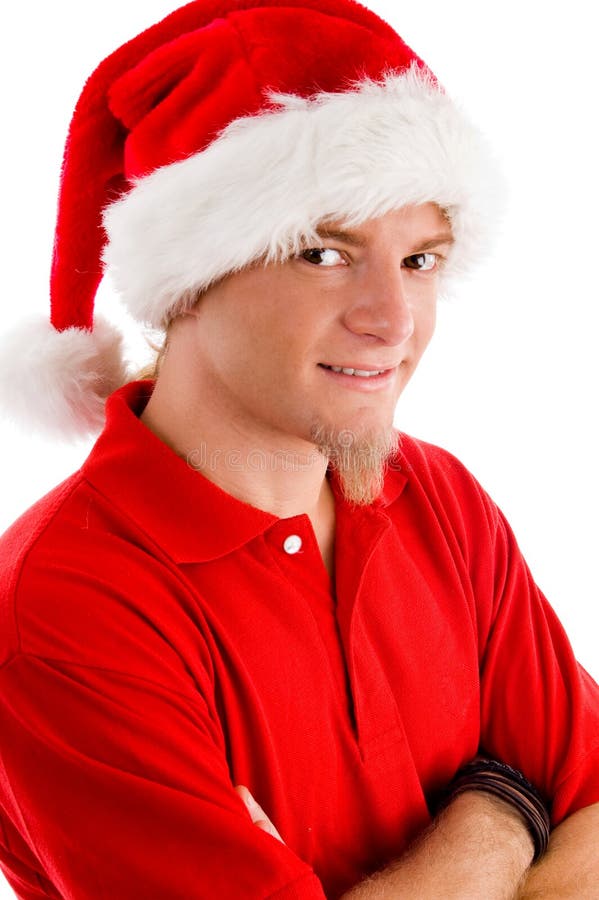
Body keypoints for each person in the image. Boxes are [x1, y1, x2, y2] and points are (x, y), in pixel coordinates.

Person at [0, 0, 597, 897]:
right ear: (186, 283)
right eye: (323, 254)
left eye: (420, 260)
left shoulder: (435, 495)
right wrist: (506, 810)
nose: (391, 321)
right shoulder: (64, 609)